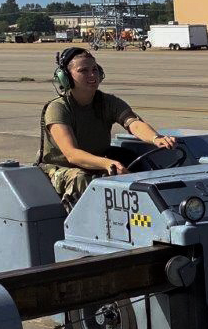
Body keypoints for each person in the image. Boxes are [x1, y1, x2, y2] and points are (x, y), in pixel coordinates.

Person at [37, 47, 176, 208]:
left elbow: (133, 123)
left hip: (99, 163)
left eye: (95, 70)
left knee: (140, 169)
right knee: (80, 178)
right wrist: (107, 164)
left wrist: (155, 138)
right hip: (61, 169)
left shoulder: (107, 102)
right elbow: (72, 154)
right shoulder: (58, 108)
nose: (92, 75)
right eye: (83, 71)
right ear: (66, 77)